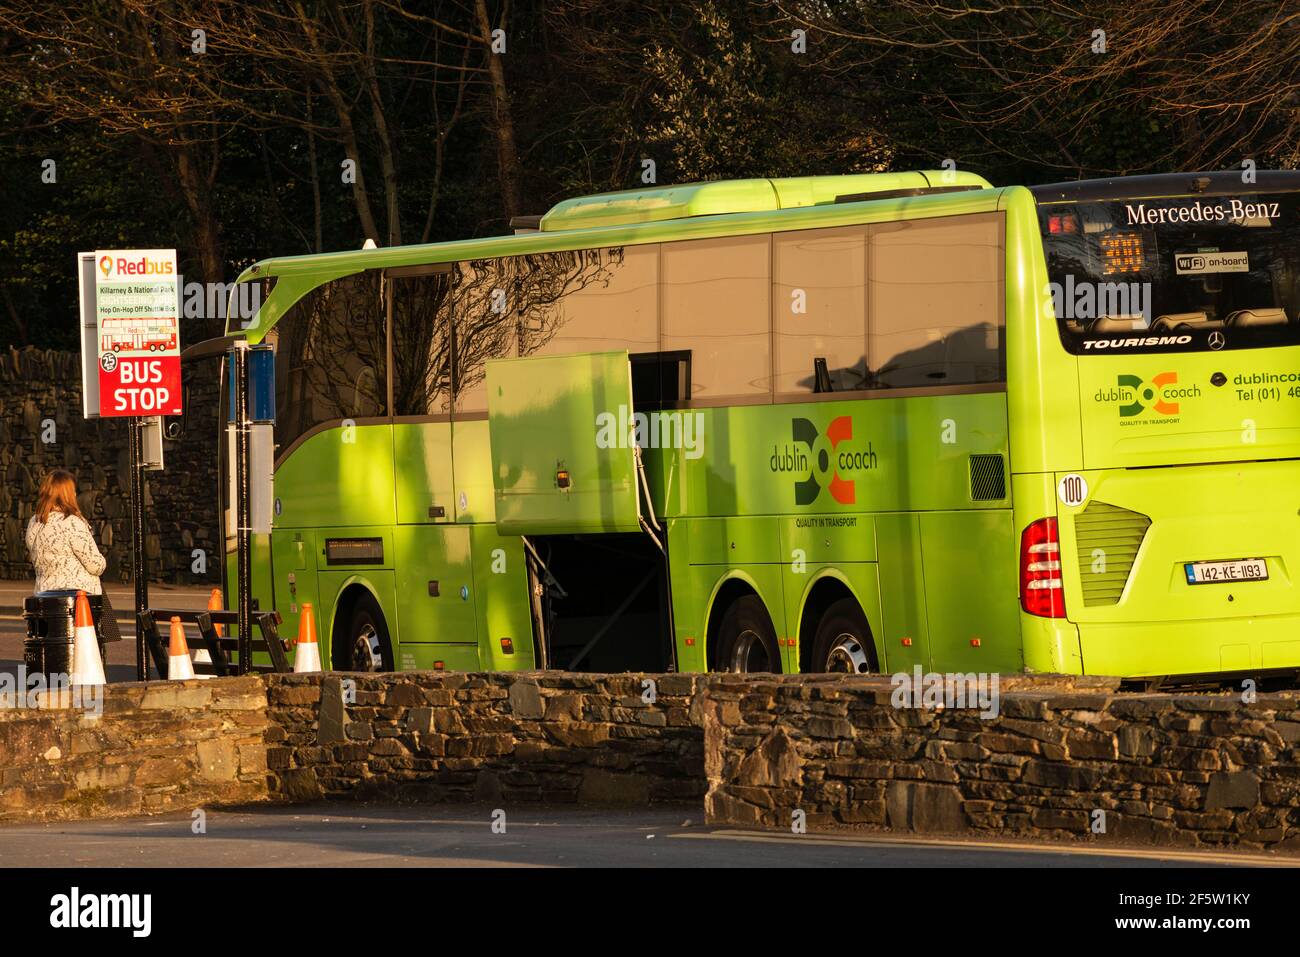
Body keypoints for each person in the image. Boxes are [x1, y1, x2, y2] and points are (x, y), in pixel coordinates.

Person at [26, 469, 119, 640]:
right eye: (73, 490)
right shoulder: (72, 522)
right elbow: (95, 565)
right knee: (85, 651)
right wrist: (102, 560)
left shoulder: (35, 522)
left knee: (55, 649)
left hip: (44, 595)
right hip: (78, 601)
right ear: (68, 493)